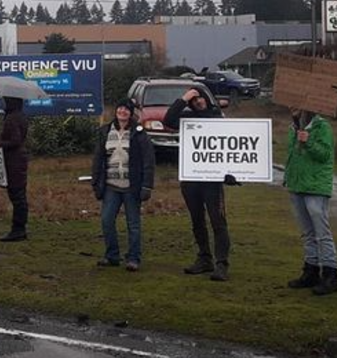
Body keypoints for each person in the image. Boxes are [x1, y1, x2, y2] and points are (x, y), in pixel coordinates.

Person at [164, 87, 232, 281]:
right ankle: (204, 258)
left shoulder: (218, 117)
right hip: (191, 179)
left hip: (212, 182)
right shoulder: (186, 119)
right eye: (193, 100)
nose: (197, 102)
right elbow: (168, 120)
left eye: (199, 97)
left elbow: (229, 146)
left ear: (207, 98)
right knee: (197, 220)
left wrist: (230, 173)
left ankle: (222, 263)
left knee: (217, 221)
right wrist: (184, 98)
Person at [91, 100, 155, 272]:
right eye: (120, 108)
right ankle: (112, 255)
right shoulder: (104, 131)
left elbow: (149, 161)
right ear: (116, 111)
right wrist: (96, 182)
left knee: (133, 224)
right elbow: (98, 158)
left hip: (132, 186)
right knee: (106, 221)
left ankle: (133, 258)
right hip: (111, 185)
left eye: (126, 109)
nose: (122, 111)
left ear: (131, 113)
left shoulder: (139, 134)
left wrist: (147, 186)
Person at [284, 107, 337, 296]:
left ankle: (331, 274)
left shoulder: (322, 127)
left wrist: (308, 142)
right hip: (297, 185)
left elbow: (324, 155)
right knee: (307, 232)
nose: (293, 109)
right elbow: (292, 155)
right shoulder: (293, 128)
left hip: (316, 186)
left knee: (321, 232)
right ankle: (311, 270)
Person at [0, 96, 30, 242]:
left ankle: (18, 229)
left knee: (17, 195)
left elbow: (14, 140)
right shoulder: (21, 116)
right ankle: (19, 227)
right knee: (19, 193)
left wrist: (0, 143)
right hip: (19, 158)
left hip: (14, 160)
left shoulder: (12, 118)